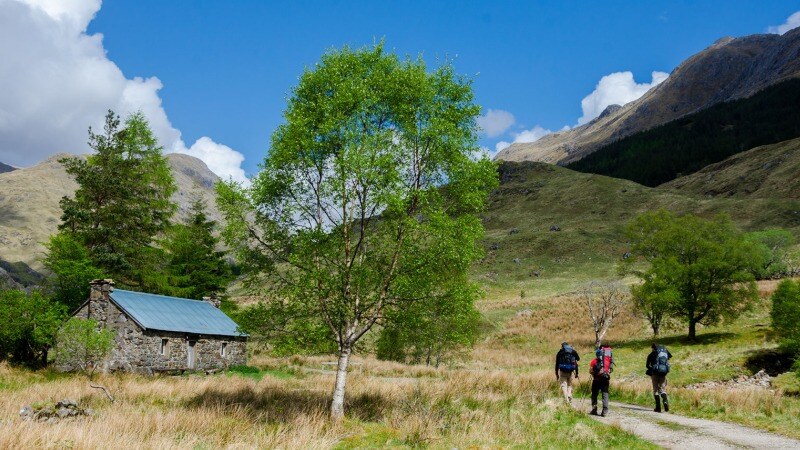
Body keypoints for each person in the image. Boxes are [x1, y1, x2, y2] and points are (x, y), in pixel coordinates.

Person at [646, 343, 673, 412]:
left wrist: (651, 369)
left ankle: (658, 408)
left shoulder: (651, 354)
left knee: (655, 390)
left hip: (654, 373)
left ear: (653, 348)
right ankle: (665, 402)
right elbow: (668, 358)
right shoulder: (664, 352)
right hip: (663, 373)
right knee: (663, 389)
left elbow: (647, 365)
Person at [589, 345, 612, 416]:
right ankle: (604, 411)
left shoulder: (593, 361)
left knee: (594, 394)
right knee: (605, 394)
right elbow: (610, 370)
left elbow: (590, 371)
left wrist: (595, 373)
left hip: (596, 380)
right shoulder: (608, 361)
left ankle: (594, 409)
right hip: (605, 379)